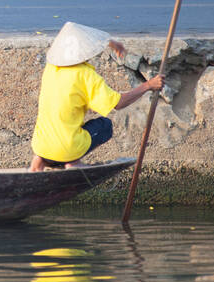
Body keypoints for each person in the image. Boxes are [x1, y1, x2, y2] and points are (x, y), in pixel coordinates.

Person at [29, 22, 164, 171]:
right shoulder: (86, 75)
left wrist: (111, 44)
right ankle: (72, 162)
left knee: (59, 128)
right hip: (66, 149)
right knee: (105, 126)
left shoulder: (51, 68)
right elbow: (118, 103)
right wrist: (148, 85)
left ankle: (39, 161)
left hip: (40, 146)